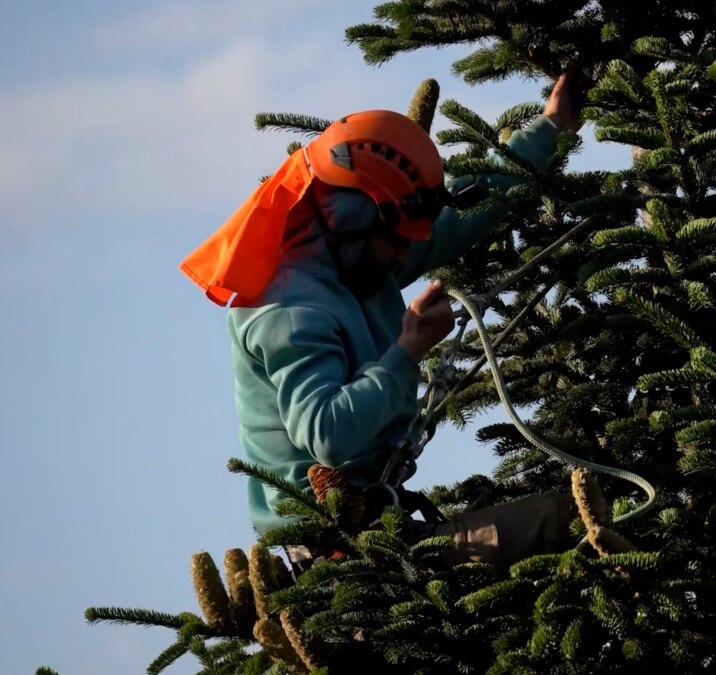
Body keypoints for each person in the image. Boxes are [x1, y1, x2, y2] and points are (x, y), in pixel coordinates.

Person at [179, 69, 606, 569]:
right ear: (355, 219)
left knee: (574, 518)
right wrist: (406, 353)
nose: (407, 252)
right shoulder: (289, 311)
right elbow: (326, 434)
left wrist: (551, 126)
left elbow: (460, 215)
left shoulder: (355, 258)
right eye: (397, 238)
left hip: (383, 527)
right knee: (569, 519)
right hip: (339, 560)